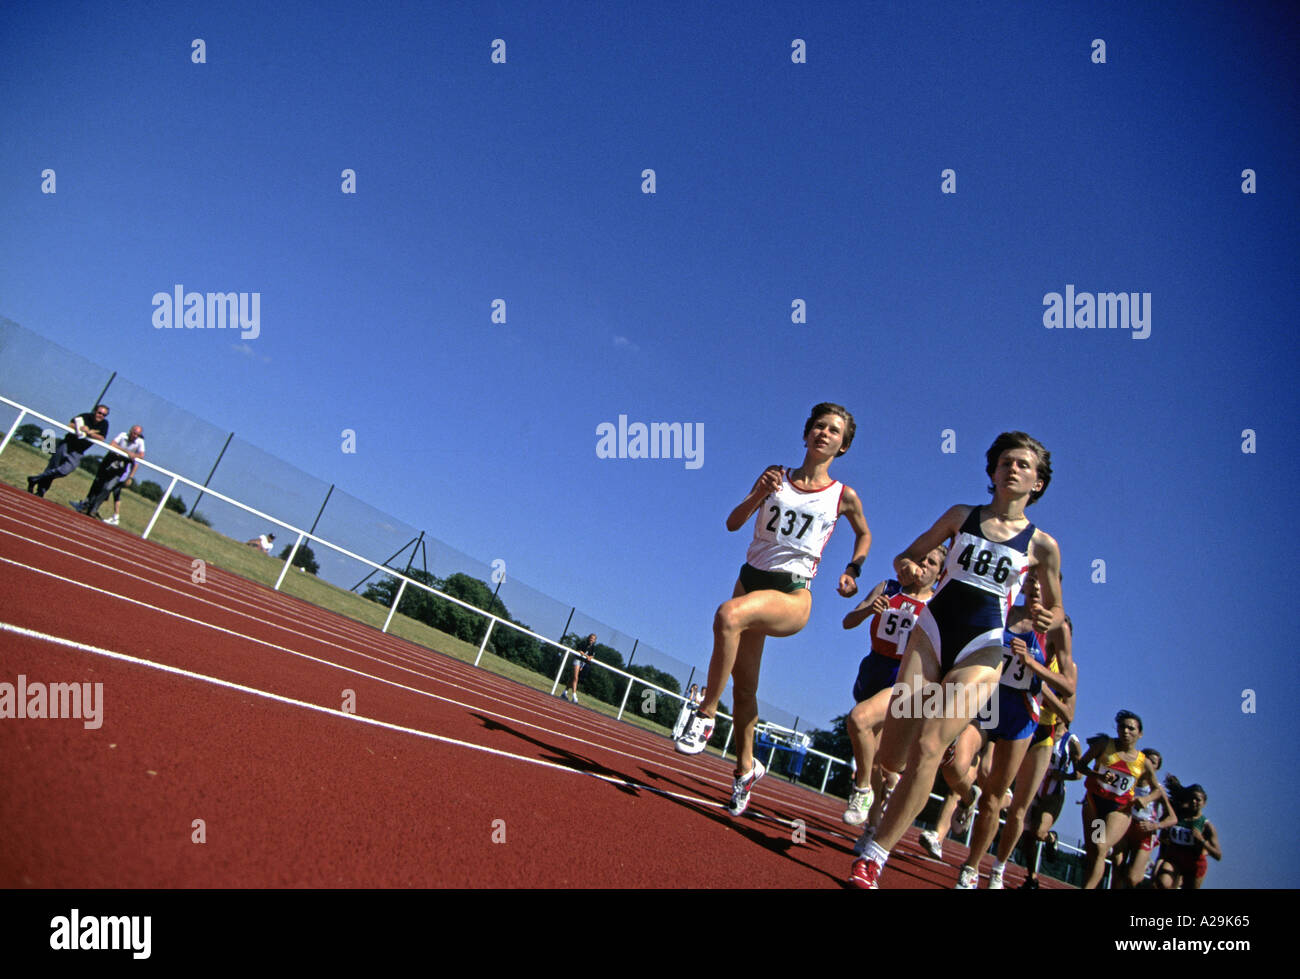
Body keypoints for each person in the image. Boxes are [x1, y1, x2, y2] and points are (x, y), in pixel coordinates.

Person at [849, 431, 1063, 889]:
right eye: (1006, 461)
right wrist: (911, 564)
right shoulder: (961, 516)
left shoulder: (1042, 545)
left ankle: (876, 853)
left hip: (984, 646)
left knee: (929, 747)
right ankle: (888, 795)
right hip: (933, 631)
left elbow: (1058, 609)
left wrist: (1048, 614)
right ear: (992, 472)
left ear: (1038, 483)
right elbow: (909, 553)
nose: (1013, 468)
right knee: (893, 753)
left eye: (1024, 464)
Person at [675, 403, 871, 820]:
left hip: (792, 595)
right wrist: (757, 494)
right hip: (750, 580)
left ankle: (705, 714)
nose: (824, 433)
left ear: (843, 445)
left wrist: (853, 569)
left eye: (834, 430)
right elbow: (733, 523)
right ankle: (746, 768)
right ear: (805, 434)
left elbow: (864, 534)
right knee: (744, 690)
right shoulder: (774, 476)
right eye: (818, 426)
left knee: (729, 615)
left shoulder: (843, 496)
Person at [955, 573, 1077, 888]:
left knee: (997, 799)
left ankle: (977, 868)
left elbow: (1067, 684)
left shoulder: (1058, 630)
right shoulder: (1005, 610)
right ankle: (968, 797)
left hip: (1022, 714)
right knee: (955, 762)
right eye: (1031, 578)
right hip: (990, 702)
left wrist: (1033, 664)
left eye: (1044, 581)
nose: (1036, 585)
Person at [841, 544, 947, 827]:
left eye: (932, 563)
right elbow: (847, 621)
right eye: (921, 559)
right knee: (875, 759)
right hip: (874, 669)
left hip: (905, 679)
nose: (922, 566)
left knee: (859, 719)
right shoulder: (888, 587)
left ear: (939, 574)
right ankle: (873, 827)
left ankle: (861, 789)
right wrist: (867, 611)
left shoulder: (938, 605)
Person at [1075, 710, 1162, 889]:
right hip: (1094, 803)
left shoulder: (1143, 762)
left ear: (1140, 733)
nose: (1125, 731)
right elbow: (1081, 765)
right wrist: (1096, 774)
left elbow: (1157, 791)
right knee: (1093, 852)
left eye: (1131, 728)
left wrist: (1145, 800)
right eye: (1122, 727)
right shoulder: (1103, 745)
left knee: (1100, 847)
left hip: (1118, 809)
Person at [1015, 727, 1082, 888]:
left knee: (1038, 832)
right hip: (1033, 784)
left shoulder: (1071, 741)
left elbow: (1078, 774)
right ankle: (1031, 878)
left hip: (1053, 792)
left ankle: (1050, 838)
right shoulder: (1038, 729)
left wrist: (1063, 775)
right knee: (1027, 836)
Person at [1111, 748, 1177, 887]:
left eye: (1153, 762)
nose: (1148, 764)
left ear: (1156, 768)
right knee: (1117, 866)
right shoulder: (1129, 779)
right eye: (1146, 759)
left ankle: (1142, 864)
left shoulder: (1158, 790)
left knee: (1132, 878)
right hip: (1125, 825)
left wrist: (1155, 826)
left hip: (1144, 832)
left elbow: (1172, 818)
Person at [28, 405, 110, 497]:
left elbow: (102, 438)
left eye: (104, 415)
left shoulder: (104, 424)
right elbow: (70, 424)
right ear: (95, 411)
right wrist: (80, 428)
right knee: (53, 467)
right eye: (99, 413)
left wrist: (90, 433)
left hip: (79, 451)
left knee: (65, 470)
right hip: (67, 444)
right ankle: (41, 491)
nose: (101, 416)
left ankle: (35, 479)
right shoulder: (84, 416)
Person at [1153, 781, 1221, 889]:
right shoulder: (1177, 815)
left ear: (1204, 803)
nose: (1194, 802)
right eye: (1192, 798)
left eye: (1198, 800)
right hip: (1174, 858)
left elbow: (1218, 855)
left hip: (1194, 865)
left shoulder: (1207, 826)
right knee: (1163, 883)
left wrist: (1202, 841)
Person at [73, 425, 145, 523]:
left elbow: (141, 455)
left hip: (121, 467)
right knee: (98, 483)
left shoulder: (140, 442)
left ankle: (94, 510)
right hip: (110, 461)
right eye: (134, 433)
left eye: (137, 434)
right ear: (130, 431)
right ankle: (86, 505)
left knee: (108, 488)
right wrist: (126, 452)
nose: (135, 436)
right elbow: (112, 444)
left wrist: (133, 456)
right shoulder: (123, 435)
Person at [562, 633, 598, 703]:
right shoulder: (583, 643)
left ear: (594, 640)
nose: (591, 639)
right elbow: (579, 651)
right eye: (591, 638)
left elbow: (592, 656)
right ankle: (574, 696)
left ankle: (564, 692)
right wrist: (586, 655)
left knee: (573, 678)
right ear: (588, 638)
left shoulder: (593, 647)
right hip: (577, 660)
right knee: (576, 677)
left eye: (593, 639)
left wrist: (589, 657)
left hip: (583, 663)